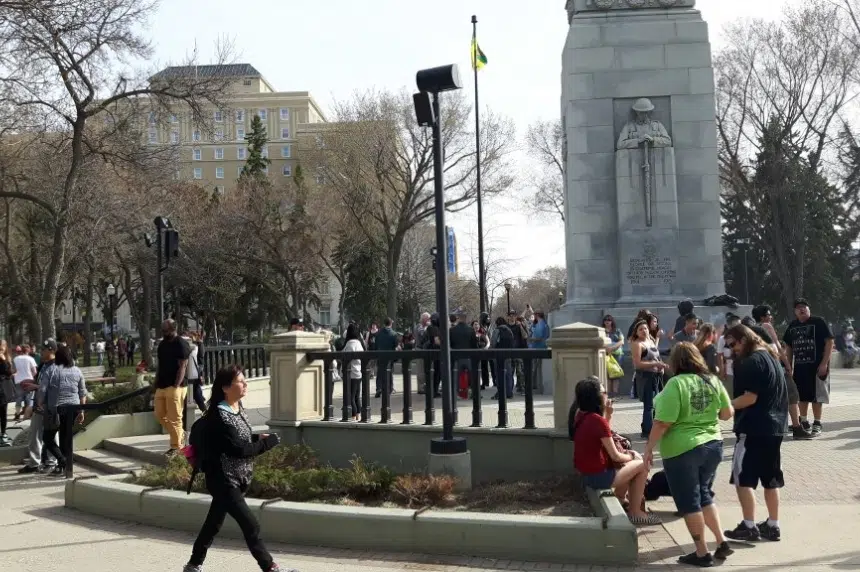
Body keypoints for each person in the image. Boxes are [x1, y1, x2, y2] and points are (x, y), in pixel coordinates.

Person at [184, 365, 289, 572]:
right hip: (223, 480)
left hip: (238, 478)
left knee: (213, 524)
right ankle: (270, 567)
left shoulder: (237, 408)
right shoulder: (219, 417)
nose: (245, 384)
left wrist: (257, 438)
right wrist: (266, 443)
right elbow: (238, 449)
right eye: (240, 381)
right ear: (225, 387)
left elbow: (237, 439)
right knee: (251, 525)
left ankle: (193, 565)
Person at [645, 342, 734, 566]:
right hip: (713, 445)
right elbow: (727, 413)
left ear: (675, 362)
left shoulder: (675, 384)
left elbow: (663, 422)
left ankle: (702, 553)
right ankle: (721, 541)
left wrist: (648, 450)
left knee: (689, 502)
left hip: (682, 450)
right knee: (704, 495)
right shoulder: (712, 380)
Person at [722, 325, 788, 543]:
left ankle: (749, 525)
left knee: (743, 479)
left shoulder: (751, 362)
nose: (732, 349)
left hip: (753, 428)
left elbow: (750, 397)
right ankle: (773, 525)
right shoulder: (772, 357)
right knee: (770, 479)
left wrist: (726, 407)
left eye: (733, 344)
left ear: (743, 340)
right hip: (775, 427)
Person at [570, 377, 660, 525]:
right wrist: (631, 456)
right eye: (604, 392)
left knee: (631, 462)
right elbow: (615, 456)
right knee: (642, 464)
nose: (607, 395)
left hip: (587, 474)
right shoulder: (596, 420)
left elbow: (603, 436)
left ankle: (621, 499)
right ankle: (635, 512)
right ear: (596, 397)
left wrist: (608, 415)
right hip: (599, 477)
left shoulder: (580, 414)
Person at [782, 298, 834, 437]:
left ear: (809, 309)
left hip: (817, 366)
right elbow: (789, 347)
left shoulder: (818, 322)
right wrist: (789, 366)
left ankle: (817, 423)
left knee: (817, 396)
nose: (802, 309)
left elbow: (829, 342)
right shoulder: (792, 326)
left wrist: (824, 363)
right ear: (795, 311)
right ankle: (803, 422)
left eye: (804, 307)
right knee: (801, 396)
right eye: (798, 307)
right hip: (800, 367)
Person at [36, 345, 87, 477]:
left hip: (56, 409)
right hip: (73, 408)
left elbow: (42, 388)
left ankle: (62, 461)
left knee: (47, 437)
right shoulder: (77, 371)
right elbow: (82, 393)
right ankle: (64, 465)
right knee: (65, 437)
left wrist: (40, 402)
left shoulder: (52, 370)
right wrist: (81, 411)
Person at [18, 340, 59, 474]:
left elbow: (53, 387)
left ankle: (52, 462)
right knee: (34, 435)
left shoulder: (56, 366)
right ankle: (34, 463)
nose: (41, 352)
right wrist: (32, 383)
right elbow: (40, 383)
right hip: (39, 405)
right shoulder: (43, 365)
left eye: (44, 350)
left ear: (51, 350)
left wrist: (35, 386)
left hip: (49, 406)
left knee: (51, 436)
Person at [154, 319, 192, 456]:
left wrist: (176, 385)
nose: (163, 333)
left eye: (165, 330)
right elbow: (160, 365)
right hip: (162, 385)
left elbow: (183, 366)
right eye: (162, 330)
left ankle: (176, 447)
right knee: (159, 415)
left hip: (176, 386)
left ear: (173, 329)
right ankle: (180, 434)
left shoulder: (181, 344)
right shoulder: (162, 344)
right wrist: (155, 382)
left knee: (175, 418)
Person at [630, 319, 666, 438]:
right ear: (636, 332)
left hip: (656, 376)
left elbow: (656, 356)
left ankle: (656, 428)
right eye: (640, 329)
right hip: (645, 377)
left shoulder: (650, 340)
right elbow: (637, 364)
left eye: (645, 328)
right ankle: (647, 431)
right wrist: (655, 364)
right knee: (649, 405)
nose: (643, 331)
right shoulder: (637, 344)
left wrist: (661, 365)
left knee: (658, 403)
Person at [342, 324, 364, 421]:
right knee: (357, 396)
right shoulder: (359, 343)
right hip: (359, 372)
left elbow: (344, 356)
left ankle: (353, 416)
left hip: (351, 373)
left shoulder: (349, 344)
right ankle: (358, 415)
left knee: (350, 397)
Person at [717, 313, 742, 397]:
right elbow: (719, 355)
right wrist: (722, 371)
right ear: (728, 326)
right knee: (729, 396)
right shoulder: (723, 339)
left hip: (741, 371)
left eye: (740, 325)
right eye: (736, 326)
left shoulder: (744, 338)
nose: (738, 328)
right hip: (729, 372)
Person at [373, 317, 398, 398]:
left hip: (380, 355)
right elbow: (395, 346)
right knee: (389, 372)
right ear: (391, 324)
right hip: (390, 355)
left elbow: (376, 345)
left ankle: (378, 388)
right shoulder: (394, 334)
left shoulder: (378, 333)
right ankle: (389, 388)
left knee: (380, 372)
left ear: (384, 324)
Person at [12, 344, 37, 421]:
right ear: (28, 351)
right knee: (28, 399)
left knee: (18, 398)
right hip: (29, 381)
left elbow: (14, 370)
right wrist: (31, 377)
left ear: (21, 350)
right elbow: (35, 372)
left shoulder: (15, 359)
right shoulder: (31, 359)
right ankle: (27, 415)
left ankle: (17, 414)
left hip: (19, 381)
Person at [492, 316, 515, 400]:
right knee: (508, 374)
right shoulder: (509, 330)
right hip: (508, 354)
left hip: (498, 355)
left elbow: (493, 342)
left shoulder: (497, 330)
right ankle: (509, 392)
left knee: (499, 374)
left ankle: (501, 392)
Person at [603, 315, 625, 398]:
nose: (607, 321)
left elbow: (622, 341)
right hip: (606, 355)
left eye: (609, 320)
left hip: (617, 355)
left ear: (612, 321)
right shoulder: (602, 331)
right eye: (605, 320)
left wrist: (612, 348)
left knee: (616, 374)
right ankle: (608, 393)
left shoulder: (617, 331)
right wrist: (607, 349)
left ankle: (615, 394)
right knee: (607, 374)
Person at [185, 331, 206, 413]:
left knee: (195, 387)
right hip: (195, 369)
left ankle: (202, 406)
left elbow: (200, 358)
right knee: (196, 388)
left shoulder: (196, 346)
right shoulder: (197, 345)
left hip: (196, 368)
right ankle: (202, 403)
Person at [528, 311, 549, 394]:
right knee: (538, 369)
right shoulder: (545, 324)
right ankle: (539, 387)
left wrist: (530, 339)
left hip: (537, 348)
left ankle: (534, 386)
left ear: (537, 315)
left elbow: (538, 337)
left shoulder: (540, 324)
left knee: (534, 369)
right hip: (542, 348)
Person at [0, 340, 14, 446]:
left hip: (4, 390)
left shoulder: (6, 359)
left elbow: (9, 373)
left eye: (2, 347)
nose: (1, 349)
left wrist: (4, 360)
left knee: (3, 413)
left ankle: (3, 433)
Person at [414, 313, 430, 394]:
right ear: (424, 319)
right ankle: (420, 388)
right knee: (420, 370)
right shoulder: (419, 326)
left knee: (425, 369)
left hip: (425, 350)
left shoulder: (423, 326)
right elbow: (422, 335)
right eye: (428, 318)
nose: (429, 320)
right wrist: (428, 327)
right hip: (420, 349)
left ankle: (425, 386)